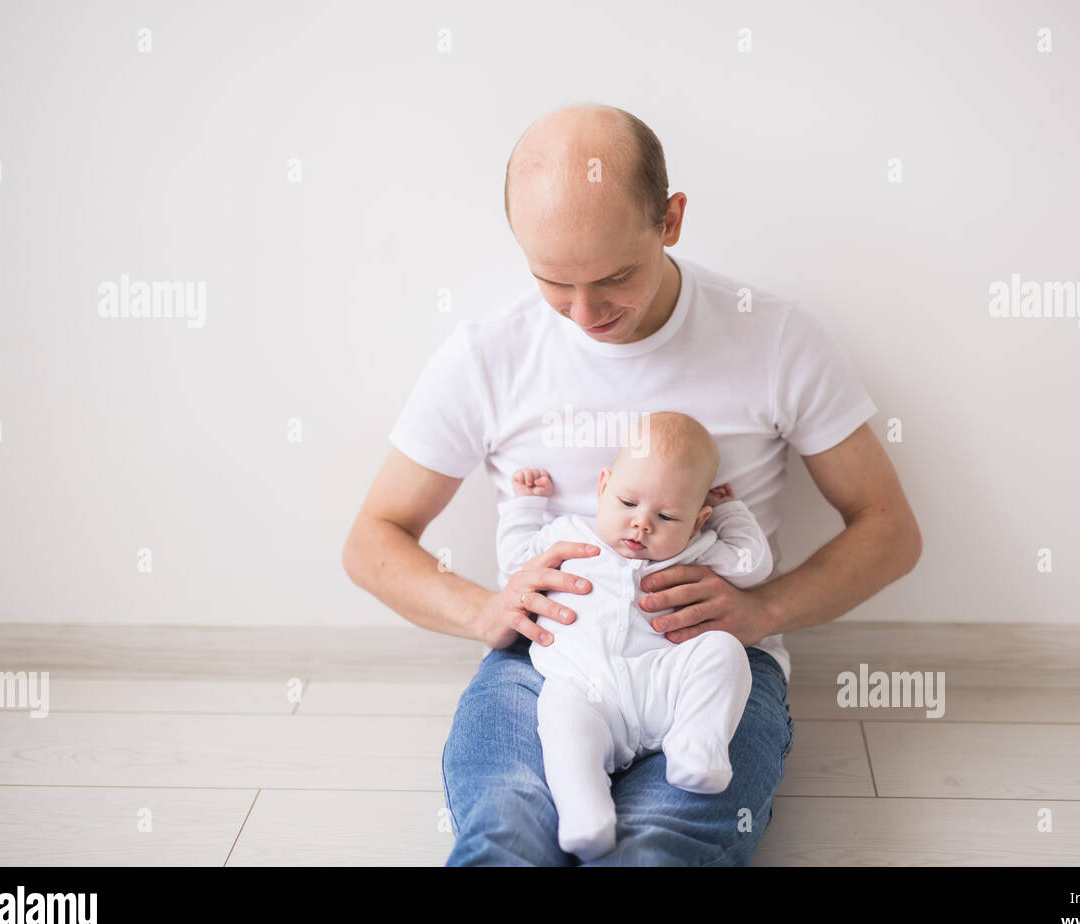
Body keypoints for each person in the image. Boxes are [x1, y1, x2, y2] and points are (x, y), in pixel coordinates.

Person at [342, 102, 923, 865]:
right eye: (554, 282)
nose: (585, 314)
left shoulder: (776, 337)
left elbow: (888, 528)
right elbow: (372, 539)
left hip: (709, 661)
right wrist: (483, 610)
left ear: (671, 219)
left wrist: (762, 610)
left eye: (614, 277)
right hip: (547, 665)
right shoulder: (488, 356)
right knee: (507, 829)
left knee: (662, 844)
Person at [499, 412, 773, 862]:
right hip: (585, 690)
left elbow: (751, 564)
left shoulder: (699, 547)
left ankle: (697, 746)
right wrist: (526, 507)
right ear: (603, 486)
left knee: (723, 650)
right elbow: (516, 564)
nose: (641, 524)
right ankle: (585, 813)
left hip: (664, 686)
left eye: (667, 516)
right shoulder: (569, 534)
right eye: (627, 503)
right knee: (560, 717)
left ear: (698, 519)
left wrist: (732, 513)